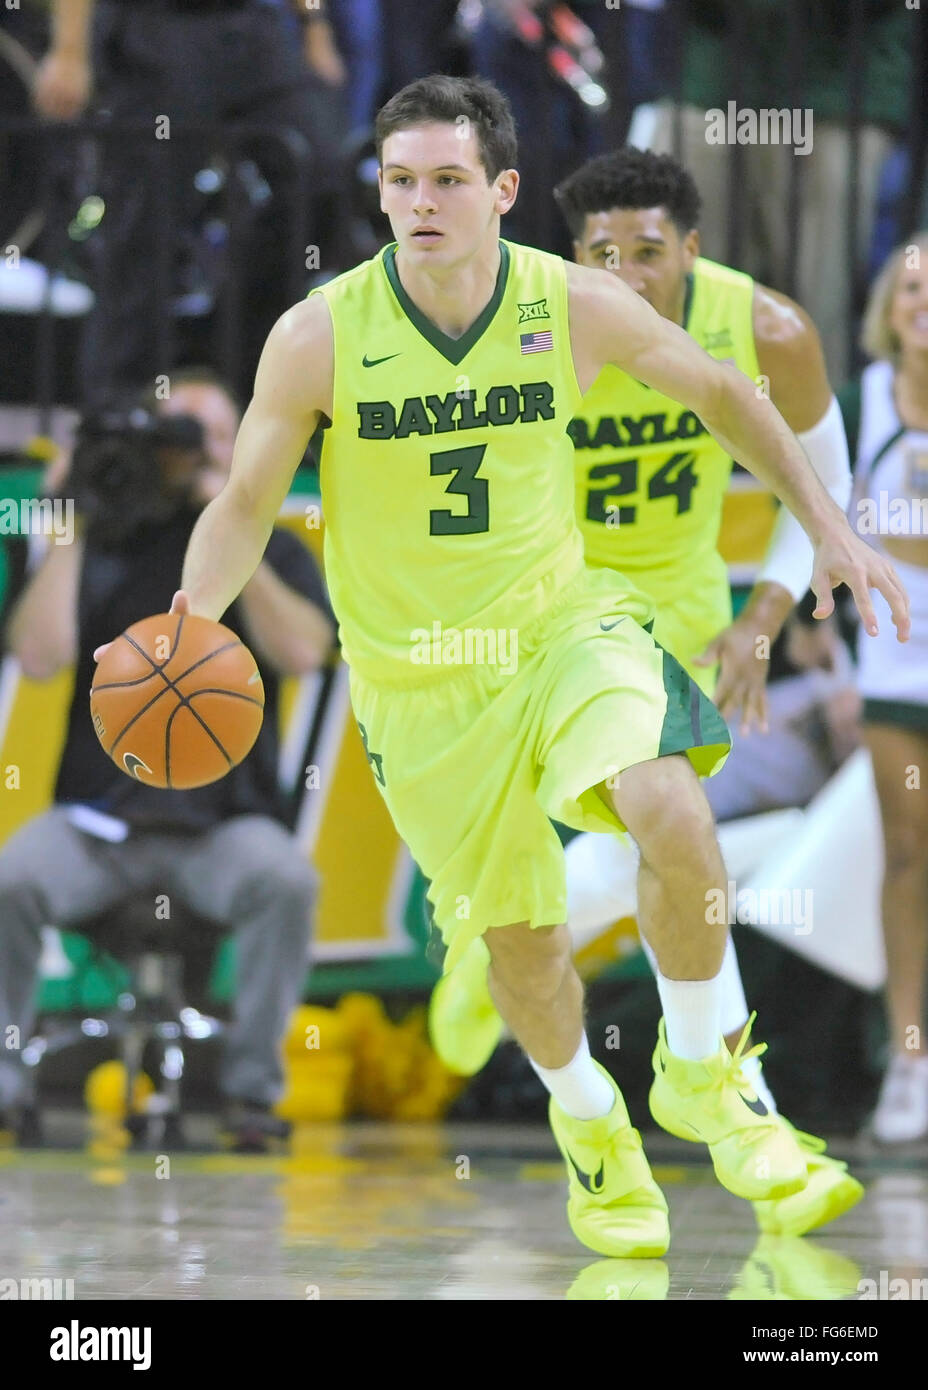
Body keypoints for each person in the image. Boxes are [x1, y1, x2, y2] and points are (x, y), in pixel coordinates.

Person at [107, 76, 908, 1258]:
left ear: (502, 191)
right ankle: (589, 1122)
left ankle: (704, 1072)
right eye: (398, 181)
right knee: (520, 944)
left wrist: (828, 523)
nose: (420, 203)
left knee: (667, 802)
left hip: (564, 628)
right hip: (416, 682)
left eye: (445, 180)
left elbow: (722, 391)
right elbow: (243, 502)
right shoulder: (319, 333)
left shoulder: (571, 302)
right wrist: (189, 617)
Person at [430, 145, 865, 1238]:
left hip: (666, 609)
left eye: (648, 254)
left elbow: (821, 482)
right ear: (571, 253)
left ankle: (736, 1109)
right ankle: (515, 954)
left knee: (670, 829)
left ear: (695, 252)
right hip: (539, 603)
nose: (623, 278)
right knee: (635, 844)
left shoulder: (765, 331)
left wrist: (765, 619)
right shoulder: (524, 318)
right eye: (600, 254)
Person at [0, 370, 335, 1153]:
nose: (191, 454)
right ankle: (7, 1088)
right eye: (176, 435)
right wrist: (75, 516)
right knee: (11, 878)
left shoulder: (271, 547)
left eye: (211, 437)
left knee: (286, 880)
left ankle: (252, 1096)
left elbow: (305, 652)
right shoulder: (106, 545)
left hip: (222, 826)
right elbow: (39, 656)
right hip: (99, 824)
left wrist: (232, 525)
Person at [31, 0, 349, 406]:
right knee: (145, 216)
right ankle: (117, 415)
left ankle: (239, 365)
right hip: (156, 27)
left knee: (325, 178)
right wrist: (69, 51)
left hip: (255, 25)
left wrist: (315, 27)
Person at [843, 232, 928, 1143]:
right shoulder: (857, 399)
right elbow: (816, 518)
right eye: (909, 286)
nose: (922, 301)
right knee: (908, 855)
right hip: (895, 659)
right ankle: (912, 1059)